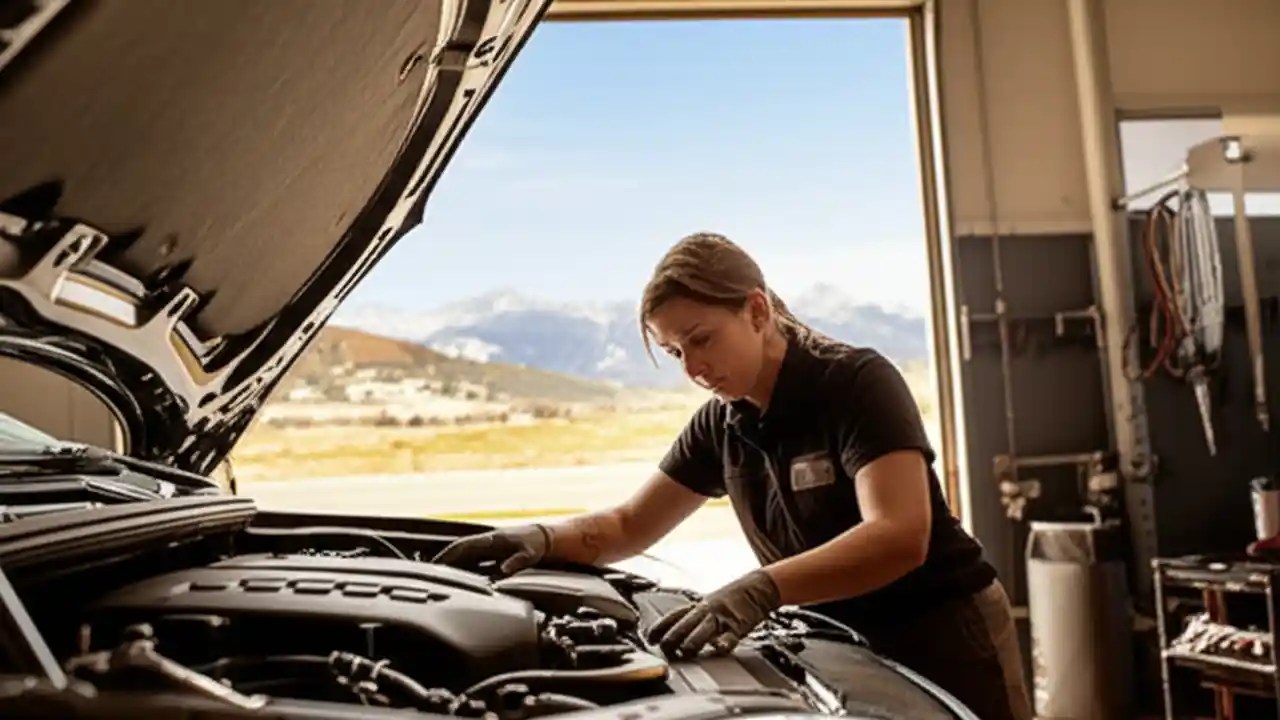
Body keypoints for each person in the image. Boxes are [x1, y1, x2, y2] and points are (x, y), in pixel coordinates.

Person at [432, 232, 1033, 720]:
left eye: (701, 339)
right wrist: (537, 538)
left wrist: (759, 588)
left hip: (942, 630)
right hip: (840, 644)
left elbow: (900, 536)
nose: (693, 367)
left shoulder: (856, 384)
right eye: (674, 353)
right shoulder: (721, 425)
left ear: (756, 309)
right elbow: (626, 525)